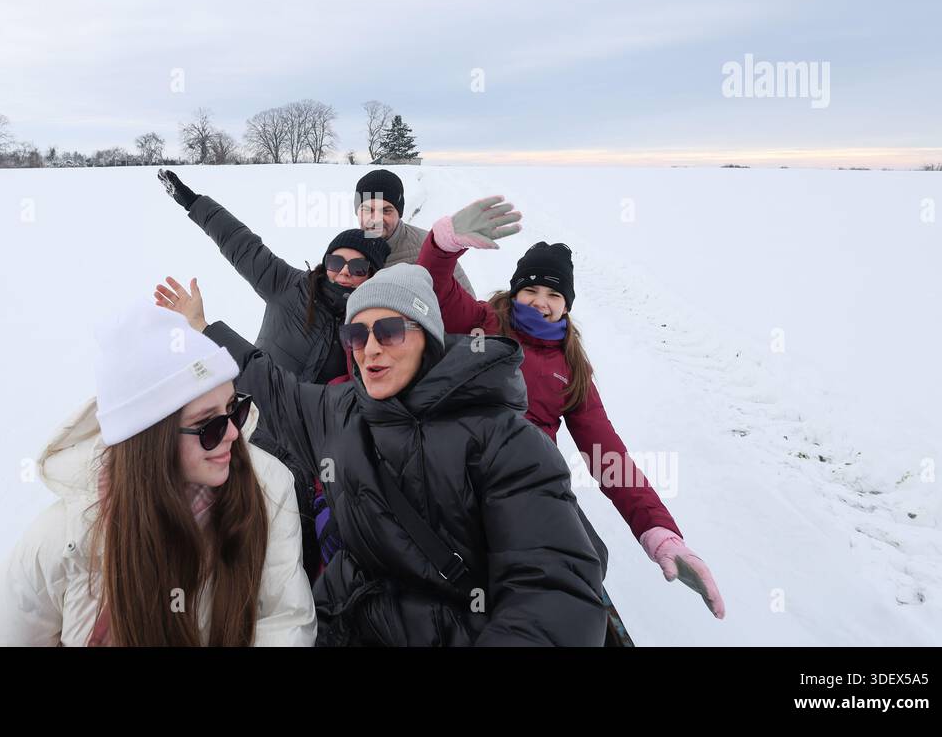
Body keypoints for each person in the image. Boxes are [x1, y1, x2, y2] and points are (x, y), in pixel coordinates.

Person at [154, 265, 609, 646]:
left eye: (390, 331)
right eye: (356, 334)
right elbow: (271, 384)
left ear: (428, 338)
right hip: (346, 622)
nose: (370, 348)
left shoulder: (505, 441)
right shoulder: (342, 410)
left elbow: (552, 593)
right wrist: (204, 328)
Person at [417, 195, 727, 619]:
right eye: (530, 289)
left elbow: (607, 454)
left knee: (588, 558)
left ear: (567, 304)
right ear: (515, 290)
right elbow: (434, 284)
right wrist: (446, 240)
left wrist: (660, 532)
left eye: (553, 293)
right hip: (457, 468)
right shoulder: (483, 323)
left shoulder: (571, 367)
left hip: (525, 478)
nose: (540, 301)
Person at [0, 303, 317, 646]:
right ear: (153, 440)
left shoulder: (268, 486)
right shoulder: (65, 536)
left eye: (234, 410)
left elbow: (285, 619)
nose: (231, 434)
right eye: (207, 425)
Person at [158, 167, 389, 579]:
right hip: (245, 426)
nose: (343, 274)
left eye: (358, 269)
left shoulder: (367, 327)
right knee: (220, 530)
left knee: (289, 551)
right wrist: (194, 203)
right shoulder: (289, 285)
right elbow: (241, 244)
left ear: (372, 278)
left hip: (305, 455)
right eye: (337, 262)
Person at [353, 168, 475, 296]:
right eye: (367, 210)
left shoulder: (431, 248)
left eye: (386, 210)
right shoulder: (345, 249)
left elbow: (468, 305)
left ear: (399, 213)